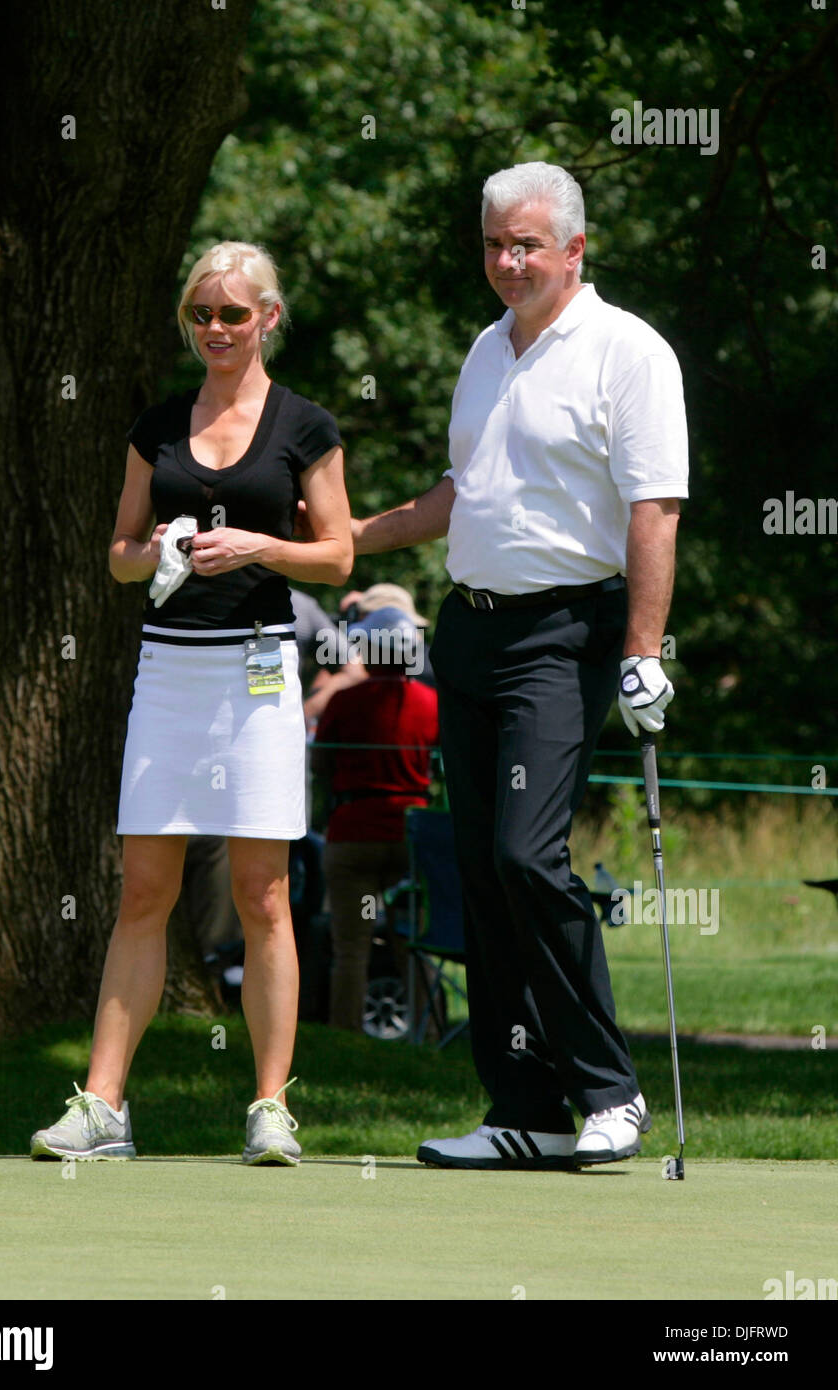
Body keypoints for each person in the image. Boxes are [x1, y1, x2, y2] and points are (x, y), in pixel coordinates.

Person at [346, 162, 687, 1169]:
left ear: (576, 248)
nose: (508, 262)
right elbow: (458, 493)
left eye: (527, 244)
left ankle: (608, 1091)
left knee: (527, 858)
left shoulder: (629, 352)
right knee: (483, 873)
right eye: (496, 243)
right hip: (473, 631)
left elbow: (654, 509)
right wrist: (346, 538)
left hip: (565, 634)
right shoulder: (486, 351)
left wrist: (641, 650)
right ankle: (524, 1104)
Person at [30, 241, 352, 1166]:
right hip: (168, 671)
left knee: (264, 895)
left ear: (269, 320)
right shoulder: (158, 426)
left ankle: (270, 1108)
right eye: (201, 315)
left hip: (255, 675)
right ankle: (103, 1106)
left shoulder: (306, 427)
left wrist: (258, 547)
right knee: (145, 891)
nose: (216, 329)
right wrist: (159, 552)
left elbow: (336, 556)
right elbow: (118, 551)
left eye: (233, 315)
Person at [312, 606, 439, 1031]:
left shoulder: (344, 701)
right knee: (413, 943)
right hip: (412, 838)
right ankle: (426, 1033)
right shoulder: (431, 703)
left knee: (351, 949)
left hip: (351, 835)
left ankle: (345, 1036)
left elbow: (321, 765)